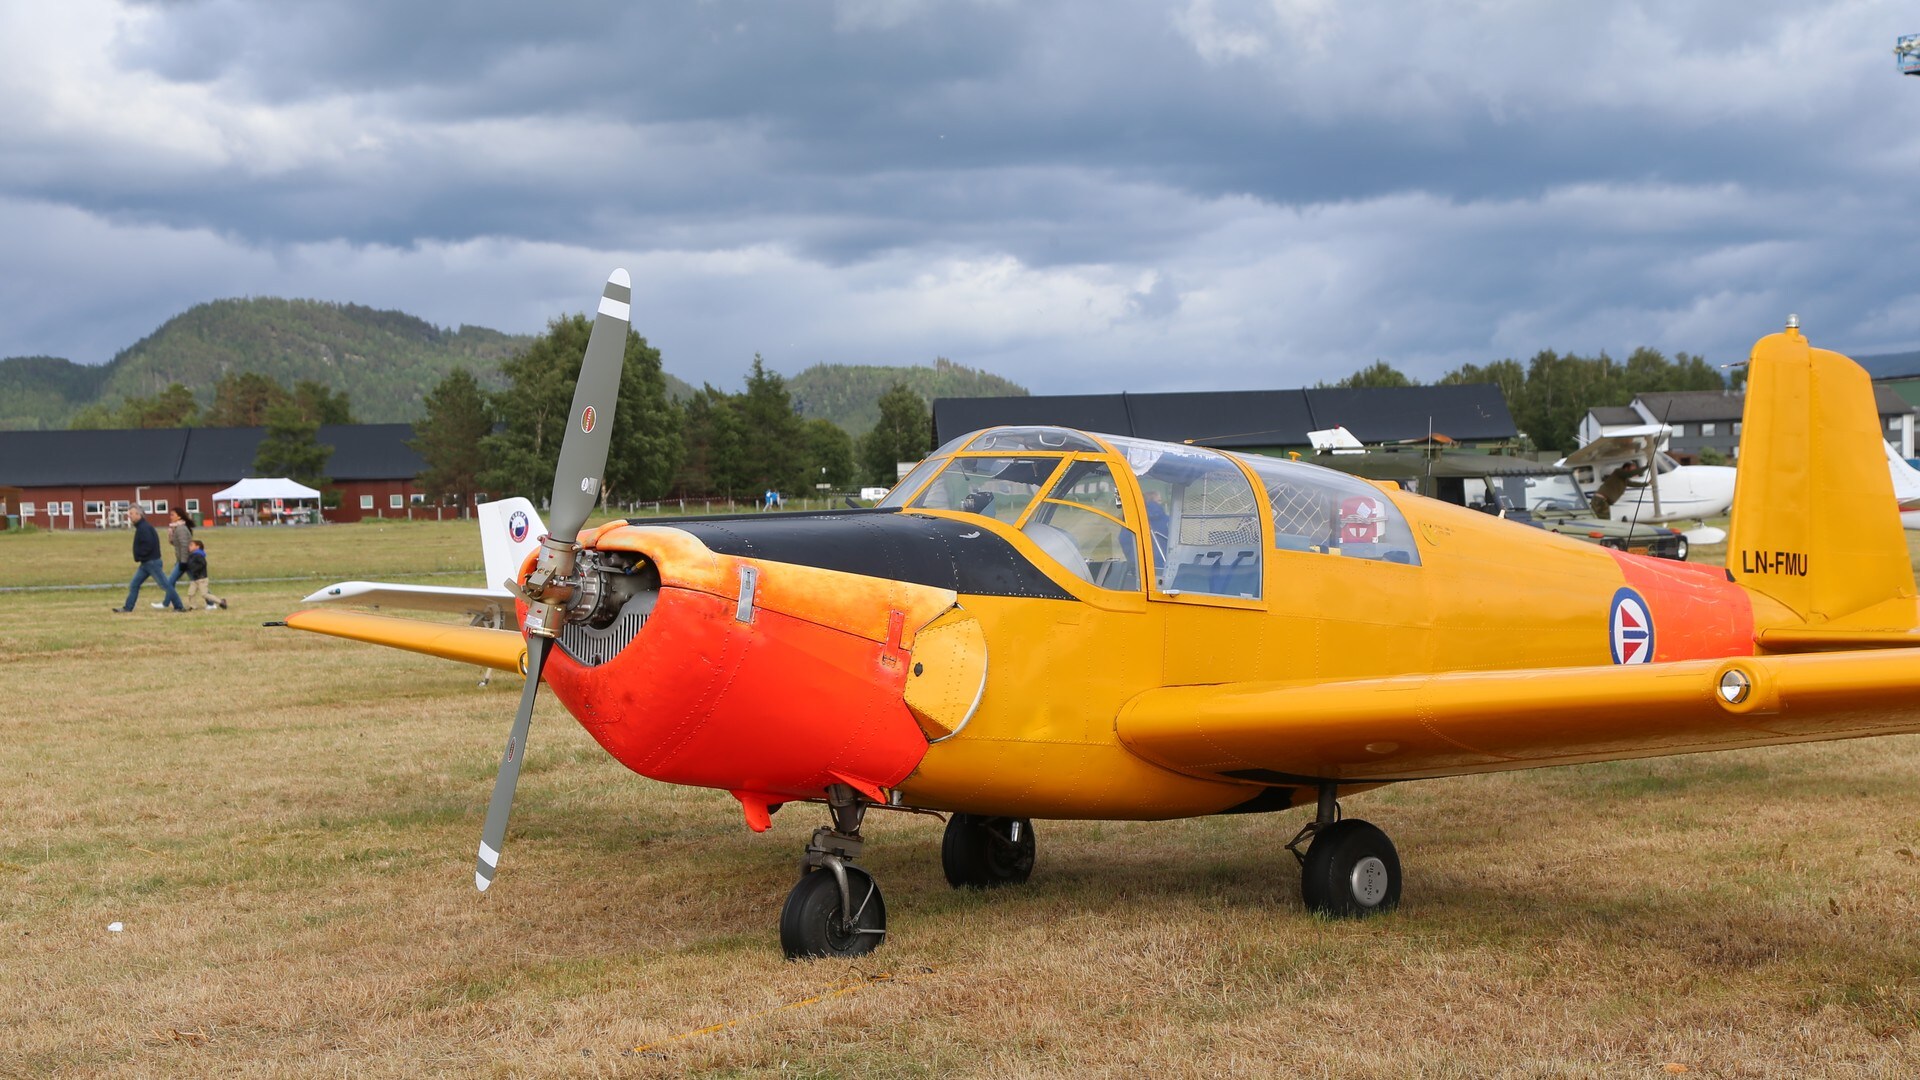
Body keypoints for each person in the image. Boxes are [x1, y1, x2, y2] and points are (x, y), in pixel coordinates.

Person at [113, 507, 187, 613]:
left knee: (165, 585)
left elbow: (149, 545)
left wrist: (139, 555)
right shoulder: (142, 527)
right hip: (146, 563)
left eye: (132, 513)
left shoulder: (144, 528)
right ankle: (128, 608)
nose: (129, 516)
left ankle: (179, 606)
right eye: (129, 514)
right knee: (134, 584)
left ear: (139, 515)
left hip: (151, 562)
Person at [157, 508, 194, 601]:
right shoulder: (176, 528)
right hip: (182, 560)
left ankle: (212, 602)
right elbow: (176, 543)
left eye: (173, 515)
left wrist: (183, 562)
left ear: (179, 516)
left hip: (184, 560)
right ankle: (165, 603)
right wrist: (171, 534)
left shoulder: (181, 529)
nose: (170, 517)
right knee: (197, 582)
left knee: (170, 582)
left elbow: (184, 546)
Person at [183, 538, 227, 611]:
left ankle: (221, 602)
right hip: (195, 578)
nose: (189, 547)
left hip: (201, 578)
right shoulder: (192, 555)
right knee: (191, 593)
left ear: (197, 546)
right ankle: (193, 606)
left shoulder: (199, 555)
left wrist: (195, 570)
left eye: (191, 545)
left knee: (204, 594)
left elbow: (203, 564)